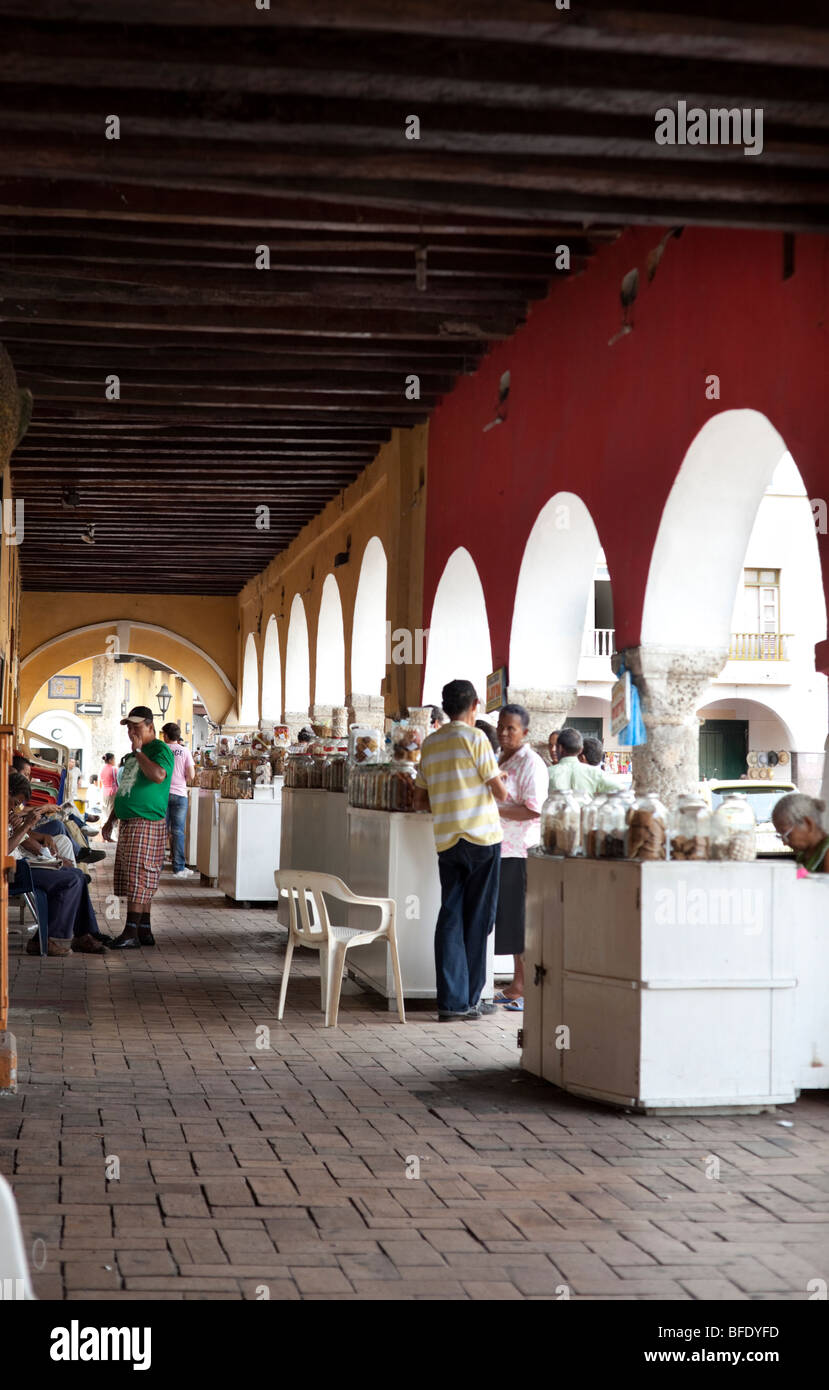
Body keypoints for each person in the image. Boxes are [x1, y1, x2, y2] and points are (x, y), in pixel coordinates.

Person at [414, 679, 506, 1022]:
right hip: (482, 840)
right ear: (475, 705)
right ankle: (469, 999)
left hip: (448, 841)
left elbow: (419, 799)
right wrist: (501, 782)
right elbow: (500, 793)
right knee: (478, 919)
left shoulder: (431, 743)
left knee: (450, 916)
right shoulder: (476, 738)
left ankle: (450, 1003)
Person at [9, 772, 110, 955]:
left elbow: (24, 840)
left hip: (22, 863)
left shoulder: (7, 812)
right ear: (7, 792)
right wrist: (23, 826)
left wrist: (50, 859)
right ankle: (48, 939)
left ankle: (83, 934)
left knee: (77, 875)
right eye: (15, 802)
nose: (16, 808)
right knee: (70, 881)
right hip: (12, 869)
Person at [102, 706, 174, 950]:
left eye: (136, 727)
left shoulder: (159, 750)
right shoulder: (134, 755)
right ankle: (144, 930)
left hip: (146, 822)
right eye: (129, 727)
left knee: (138, 875)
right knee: (136, 875)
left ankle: (131, 932)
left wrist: (139, 751)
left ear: (150, 726)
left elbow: (159, 775)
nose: (131, 732)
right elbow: (126, 789)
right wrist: (112, 818)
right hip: (129, 821)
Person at [492, 705, 548, 1012]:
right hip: (501, 849)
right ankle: (517, 984)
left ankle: (526, 988)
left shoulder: (531, 764)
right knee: (511, 923)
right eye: (501, 726)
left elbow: (533, 808)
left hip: (520, 851)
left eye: (511, 728)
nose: (503, 732)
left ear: (525, 733)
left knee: (521, 922)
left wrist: (494, 810)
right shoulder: (502, 758)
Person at [161, 721, 195, 878]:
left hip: (162, 795)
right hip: (180, 795)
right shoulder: (184, 751)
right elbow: (191, 775)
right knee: (178, 832)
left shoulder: (162, 750)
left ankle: (157, 865)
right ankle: (179, 867)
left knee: (161, 831)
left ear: (166, 736)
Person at [548, 728, 619, 794]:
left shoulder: (547, 773)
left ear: (559, 748)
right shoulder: (596, 774)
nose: (553, 749)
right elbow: (621, 792)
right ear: (581, 750)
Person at [772, 793, 829, 872]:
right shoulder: (802, 855)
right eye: (780, 836)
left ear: (808, 824)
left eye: (786, 835)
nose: (784, 843)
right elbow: (799, 879)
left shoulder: (826, 852)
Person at [100, 752, 118, 822]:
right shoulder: (113, 769)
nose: (114, 761)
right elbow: (117, 781)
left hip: (104, 792)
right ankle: (113, 828)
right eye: (114, 759)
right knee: (112, 812)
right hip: (112, 792)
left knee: (106, 812)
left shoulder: (102, 769)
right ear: (110, 760)